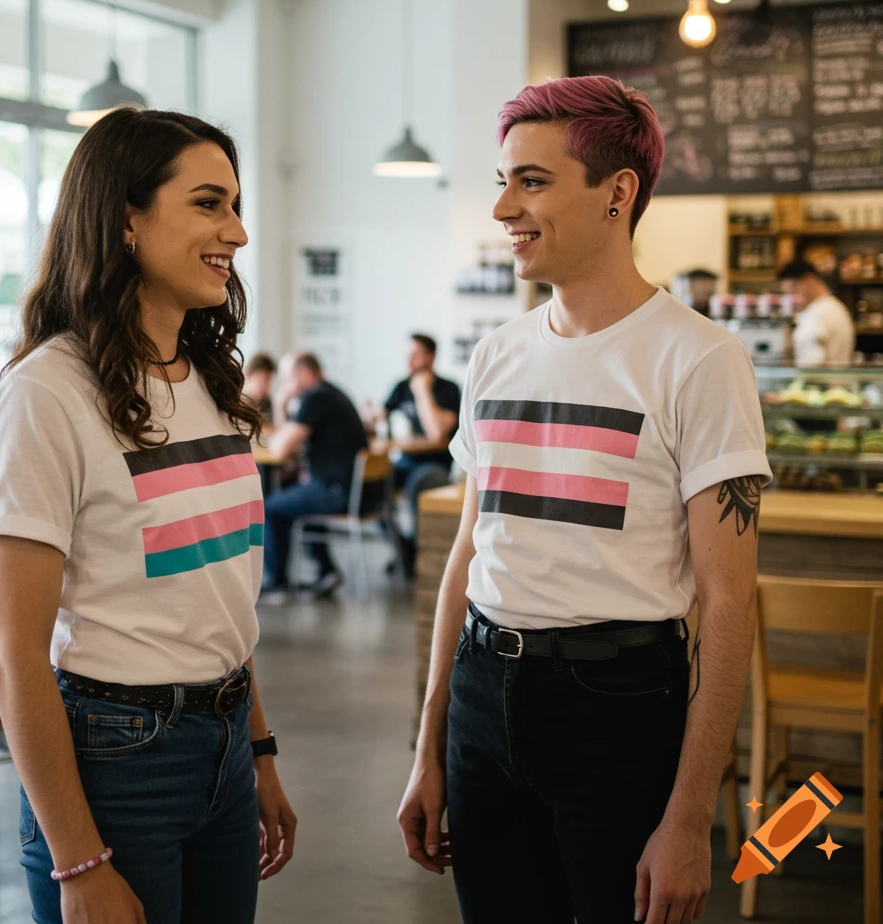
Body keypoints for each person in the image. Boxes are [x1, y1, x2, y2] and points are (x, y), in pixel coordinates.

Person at [397, 75, 772, 924]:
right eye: (503, 181)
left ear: (618, 193)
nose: (504, 211)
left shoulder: (698, 360)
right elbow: (468, 552)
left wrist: (688, 821)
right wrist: (430, 747)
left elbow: (727, 602)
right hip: (481, 693)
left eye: (532, 182)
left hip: (620, 708)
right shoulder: (495, 355)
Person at [0, 109, 295, 924]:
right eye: (210, 204)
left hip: (221, 745)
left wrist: (256, 751)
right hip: (115, 760)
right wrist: (77, 860)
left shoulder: (212, 381)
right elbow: (14, 652)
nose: (239, 231)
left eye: (235, 204)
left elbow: (220, 595)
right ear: (125, 219)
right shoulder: (46, 394)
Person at [262, 352, 366, 600]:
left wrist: (279, 404)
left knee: (269, 508)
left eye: (288, 378)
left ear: (304, 373)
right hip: (351, 489)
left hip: (335, 490)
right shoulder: (332, 392)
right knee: (297, 496)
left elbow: (280, 448)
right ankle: (326, 570)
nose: (286, 386)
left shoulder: (316, 398)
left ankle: (276, 584)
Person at [369, 334, 460, 577]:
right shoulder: (402, 386)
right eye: (407, 356)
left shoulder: (448, 389)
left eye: (415, 355)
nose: (409, 361)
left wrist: (422, 391)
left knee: (420, 484)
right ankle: (405, 551)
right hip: (405, 461)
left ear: (431, 358)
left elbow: (437, 432)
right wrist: (372, 415)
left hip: (435, 464)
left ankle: (423, 556)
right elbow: (380, 416)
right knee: (370, 490)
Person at [778, 258, 855, 367]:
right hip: (836, 381)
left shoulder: (817, 313)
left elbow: (811, 363)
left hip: (824, 383)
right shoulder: (834, 306)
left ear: (809, 279)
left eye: (793, 291)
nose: (793, 299)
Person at [243, 353, 277, 426]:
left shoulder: (266, 402)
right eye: (263, 380)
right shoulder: (237, 403)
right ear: (248, 376)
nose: (267, 385)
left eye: (269, 381)